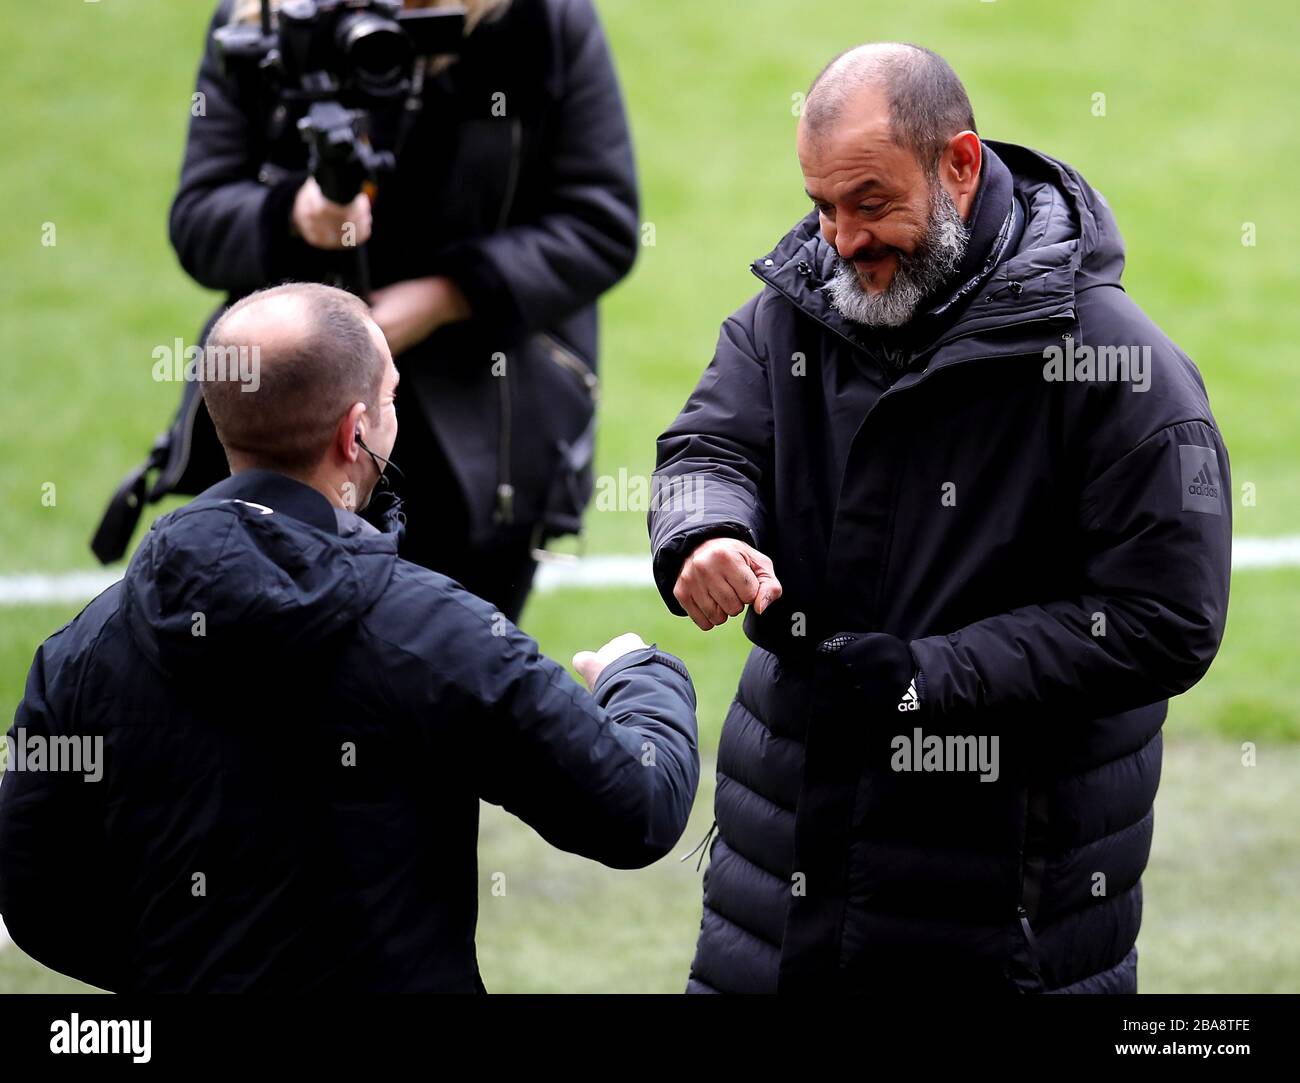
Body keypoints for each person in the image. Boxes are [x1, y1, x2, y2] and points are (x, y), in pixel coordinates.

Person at [648, 43, 1231, 994]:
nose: (841, 239)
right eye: (823, 205)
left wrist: (929, 677)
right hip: (779, 883)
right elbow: (708, 446)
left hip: (1002, 911)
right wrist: (706, 531)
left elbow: (1166, 622)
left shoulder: (1120, 369)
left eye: (871, 203)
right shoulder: (795, 307)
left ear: (958, 164)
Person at [0, 283, 698, 993]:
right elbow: (637, 807)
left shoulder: (82, 650)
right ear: (355, 431)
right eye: (393, 396)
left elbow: (33, 894)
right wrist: (638, 674)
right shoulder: (437, 632)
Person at [97, 0, 639, 623]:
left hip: (485, 434)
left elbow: (601, 222)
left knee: (453, 688)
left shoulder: (542, 22)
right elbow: (199, 220)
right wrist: (296, 217)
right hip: (288, 424)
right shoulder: (263, 19)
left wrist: (447, 296)